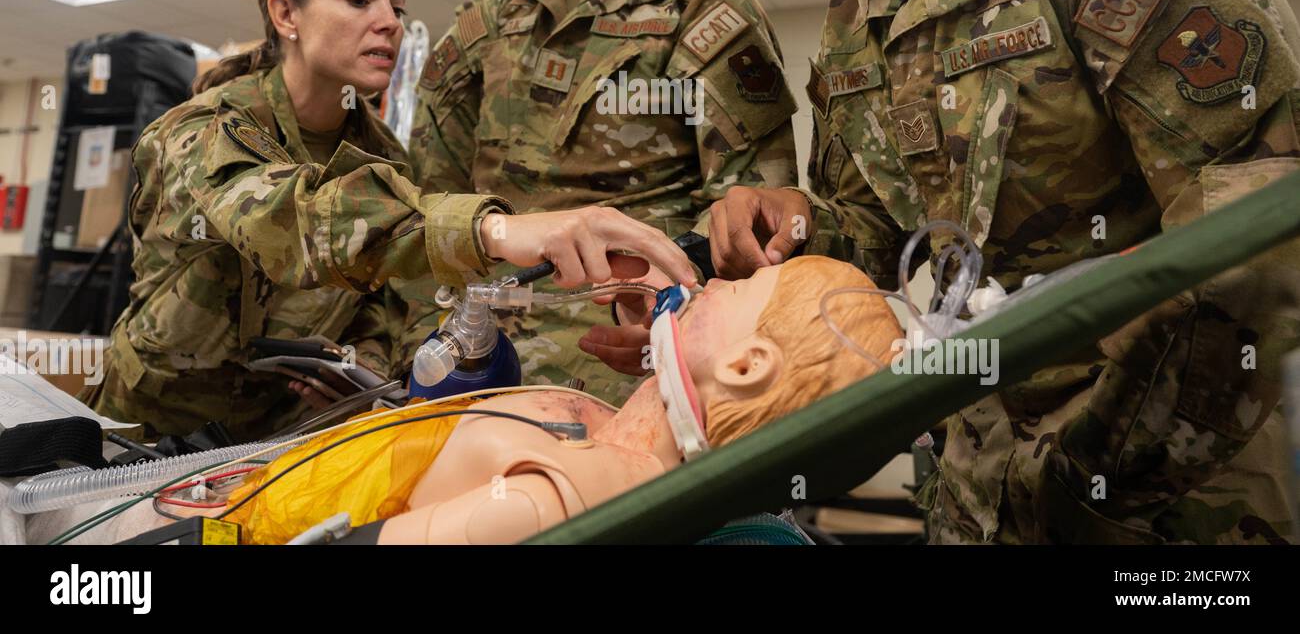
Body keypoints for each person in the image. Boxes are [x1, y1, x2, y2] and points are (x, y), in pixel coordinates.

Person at [707, 0, 1300, 543]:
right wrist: (796, 223)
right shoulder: (848, 32)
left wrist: (1086, 481)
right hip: (969, 496)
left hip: (1167, 509)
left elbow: (1258, 237)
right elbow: (885, 247)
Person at [82, 0, 695, 442]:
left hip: (277, 438)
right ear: (285, 13)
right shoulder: (206, 126)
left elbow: (385, 297)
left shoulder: (382, 156)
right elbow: (290, 222)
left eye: (397, 7)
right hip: (147, 437)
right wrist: (497, 228)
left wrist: (360, 368)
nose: (390, 22)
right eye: (360, 1)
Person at [408, 0, 799, 404]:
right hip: (482, 382)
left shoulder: (710, 7)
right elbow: (426, 210)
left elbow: (756, 233)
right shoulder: (493, 16)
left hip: (642, 390)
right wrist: (417, 352)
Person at [88, 256, 899, 545]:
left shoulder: (574, 497)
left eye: (744, 285)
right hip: (223, 485)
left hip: (202, 529)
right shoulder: (606, 434)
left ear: (750, 365)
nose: (711, 277)